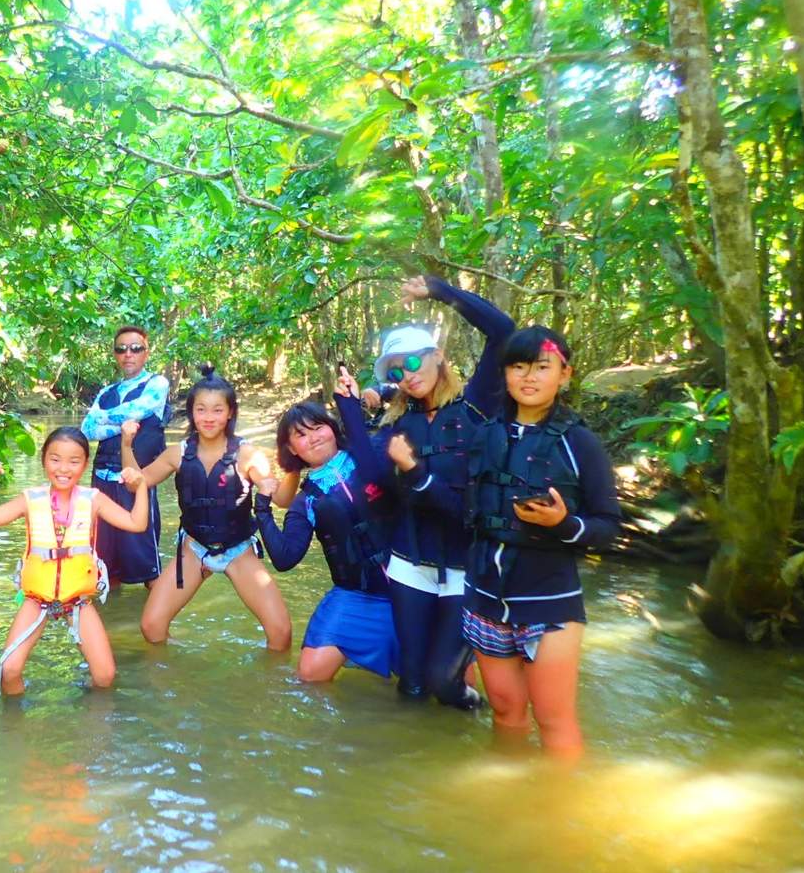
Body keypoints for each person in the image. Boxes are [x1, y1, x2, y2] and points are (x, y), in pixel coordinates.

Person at [334, 275, 514, 710]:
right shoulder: (400, 425)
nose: (406, 376)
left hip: (467, 567)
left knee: (442, 681)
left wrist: (438, 290)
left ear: (437, 357)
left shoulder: (476, 405)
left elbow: (504, 331)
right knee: (411, 682)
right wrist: (348, 407)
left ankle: (472, 712)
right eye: (395, 370)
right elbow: (374, 474)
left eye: (412, 362)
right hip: (409, 565)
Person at [459, 326, 621, 756]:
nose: (529, 377)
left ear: (564, 375)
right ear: (505, 374)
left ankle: (561, 816)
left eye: (542, 367)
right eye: (518, 366)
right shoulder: (484, 435)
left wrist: (564, 524)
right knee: (506, 714)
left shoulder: (580, 443)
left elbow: (608, 526)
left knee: (554, 720)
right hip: (484, 600)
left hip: (550, 604)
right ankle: (514, 803)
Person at [123, 364, 294, 651]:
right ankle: (174, 678)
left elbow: (283, 500)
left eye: (217, 410)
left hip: (238, 549)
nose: (209, 417)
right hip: (194, 548)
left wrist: (292, 468)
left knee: (281, 633)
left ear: (230, 413)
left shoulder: (247, 455)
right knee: (151, 626)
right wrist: (127, 445)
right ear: (191, 412)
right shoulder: (177, 453)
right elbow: (136, 483)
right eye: (201, 409)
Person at [0, 427, 150, 695]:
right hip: (36, 599)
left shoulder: (94, 500)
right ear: (43, 460)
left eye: (74, 461)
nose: (63, 468)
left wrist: (142, 486)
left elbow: (137, 523)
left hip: (77, 600)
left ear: (85, 464)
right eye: (55, 459)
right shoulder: (30, 499)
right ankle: (16, 724)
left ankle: (87, 712)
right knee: (9, 670)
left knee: (105, 676)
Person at [254, 402, 399, 683]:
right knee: (310, 674)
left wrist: (377, 395)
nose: (313, 437)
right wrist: (262, 508)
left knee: (448, 679)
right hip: (357, 595)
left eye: (318, 427)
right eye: (301, 435)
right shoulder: (306, 500)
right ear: (293, 449)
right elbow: (285, 558)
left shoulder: (370, 457)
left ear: (333, 429)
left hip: (412, 586)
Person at [80, 326, 170, 588]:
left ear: (146, 352)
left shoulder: (156, 383)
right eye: (121, 349)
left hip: (135, 479)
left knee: (146, 563)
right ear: (115, 354)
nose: (128, 354)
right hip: (102, 481)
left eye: (135, 348)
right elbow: (87, 428)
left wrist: (104, 419)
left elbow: (139, 409)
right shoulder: (106, 391)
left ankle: (155, 622)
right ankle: (113, 622)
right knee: (105, 564)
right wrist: (121, 424)